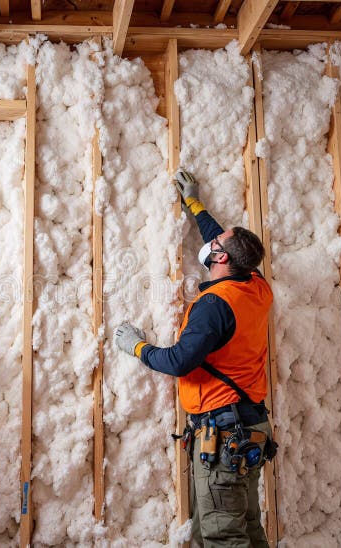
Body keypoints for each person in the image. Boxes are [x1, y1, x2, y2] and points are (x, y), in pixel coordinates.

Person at [114, 169, 276, 548]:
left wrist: (137, 346)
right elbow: (222, 243)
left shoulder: (213, 306)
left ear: (220, 256)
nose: (212, 240)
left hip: (225, 435)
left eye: (216, 241)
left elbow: (178, 362)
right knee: (239, 530)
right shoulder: (256, 286)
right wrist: (194, 204)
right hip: (249, 428)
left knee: (223, 537)